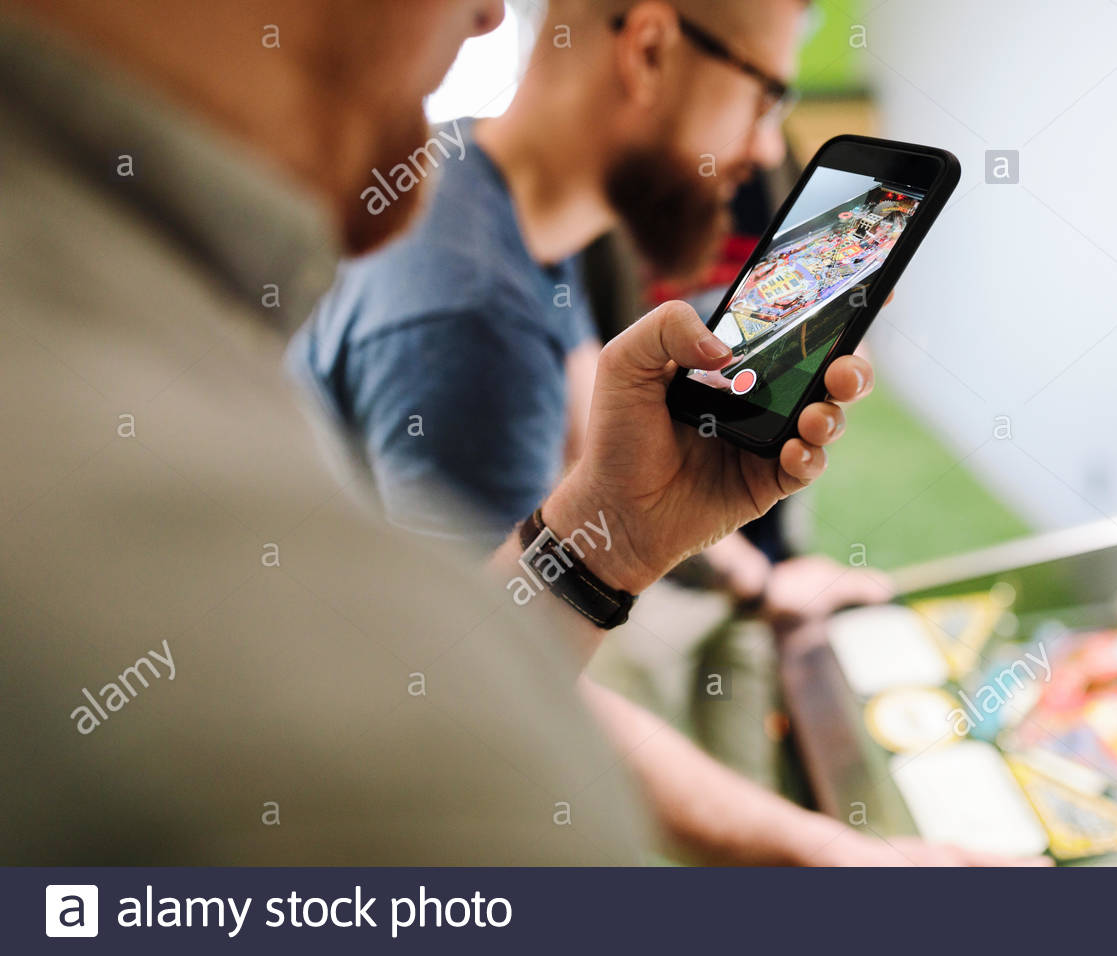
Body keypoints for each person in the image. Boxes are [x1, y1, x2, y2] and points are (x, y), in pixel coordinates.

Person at [0, 0, 1021, 866]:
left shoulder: (499, 192)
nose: (763, 149)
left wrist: (685, 556)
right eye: (767, 93)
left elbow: (567, 452)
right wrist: (825, 852)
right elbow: (456, 694)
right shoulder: (462, 314)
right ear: (650, 48)